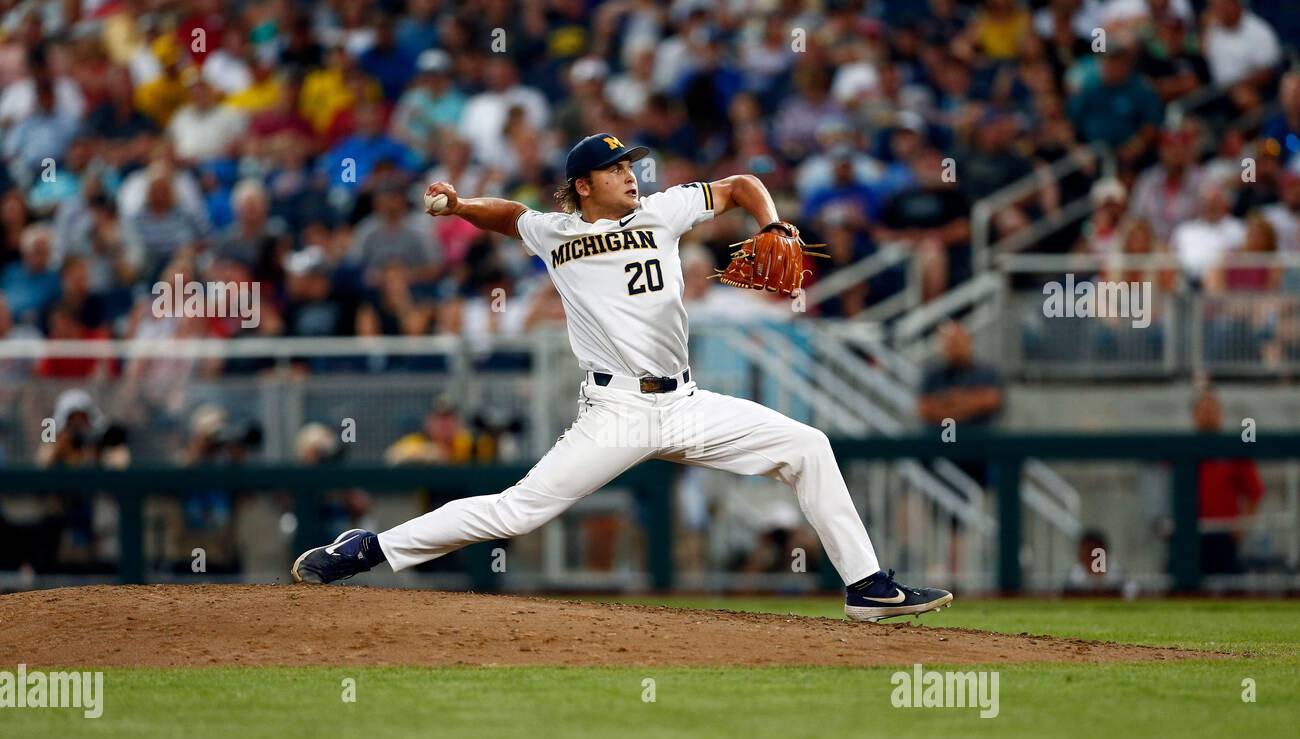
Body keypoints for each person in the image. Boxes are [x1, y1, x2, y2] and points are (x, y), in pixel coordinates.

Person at [292, 132, 953, 621]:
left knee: (808, 446)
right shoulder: (555, 233)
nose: (629, 174)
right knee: (518, 511)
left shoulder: (662, 212)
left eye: (629, 164)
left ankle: (865, 587)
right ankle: (369, 547)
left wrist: (771, 220)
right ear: (584, 185)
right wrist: (461, 205)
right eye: (613, 169)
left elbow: (742, 183)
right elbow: (506, 214)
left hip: (687, 403)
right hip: (616, 413)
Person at [1193, 387, 1263, 575]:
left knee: (1227, 591)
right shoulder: (1184, 451)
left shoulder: (1233, 449)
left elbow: (1255, 492)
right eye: (1203, 410)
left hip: (1223, 536)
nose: (1207, 416)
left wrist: (1240, 527)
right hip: (1190, 535)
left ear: (1220, 414)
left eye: (1212, 410)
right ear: (1194, 416)